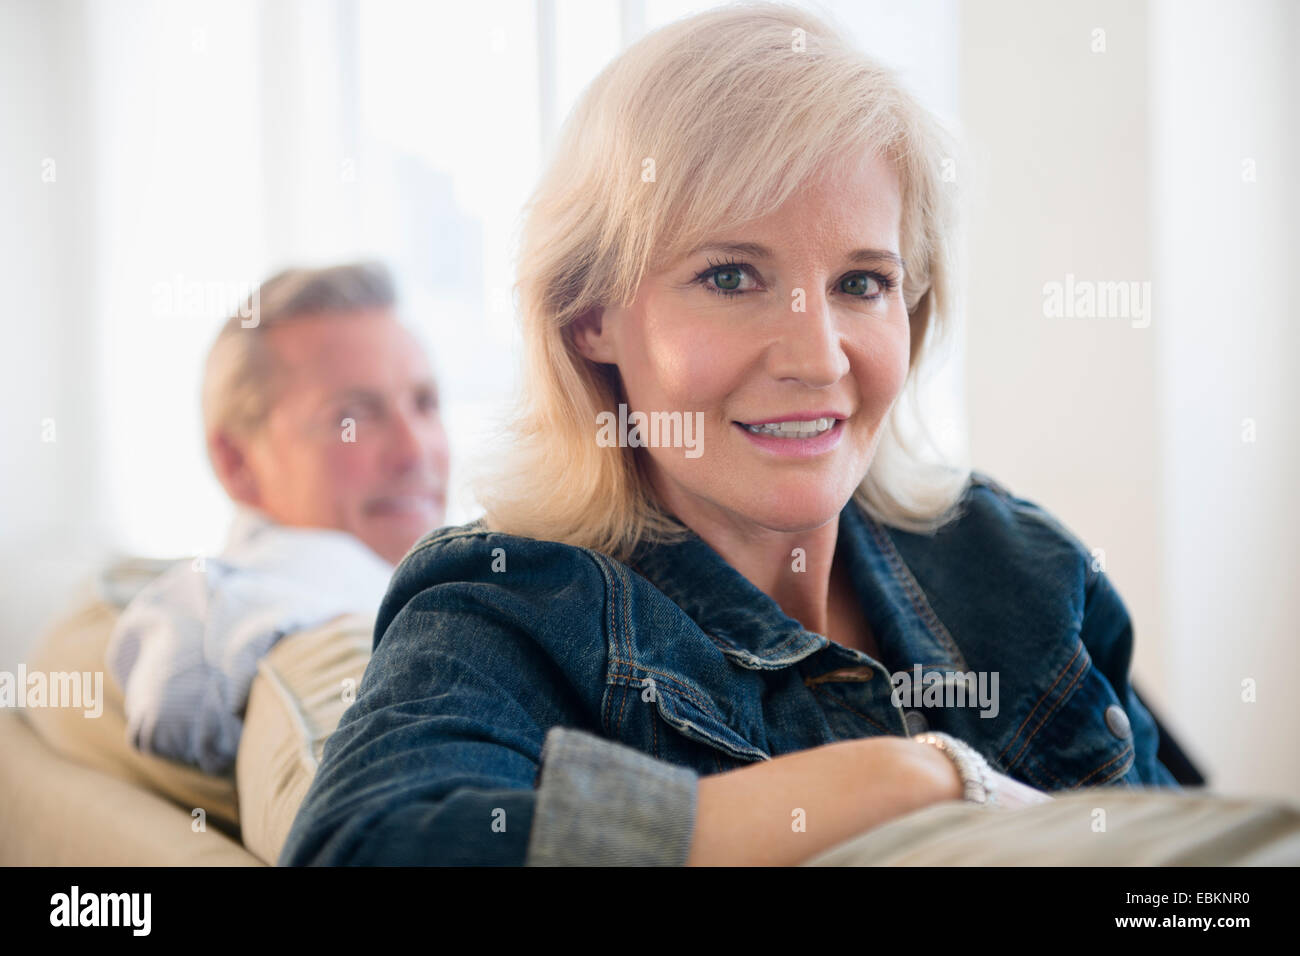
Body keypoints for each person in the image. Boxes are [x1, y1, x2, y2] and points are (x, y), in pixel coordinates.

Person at [280, 3, 1177, 867]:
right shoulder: (509, 607)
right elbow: (366, 848)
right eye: (731, 276)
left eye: (862, 283)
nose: (819, 358)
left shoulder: (1016, 562)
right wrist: (918, 781)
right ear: (590, 317)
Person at [105, 262, 450, 776]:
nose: (416, 450)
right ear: (237, 462)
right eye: (353, 416)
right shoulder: (251, 594)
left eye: (424, 403)